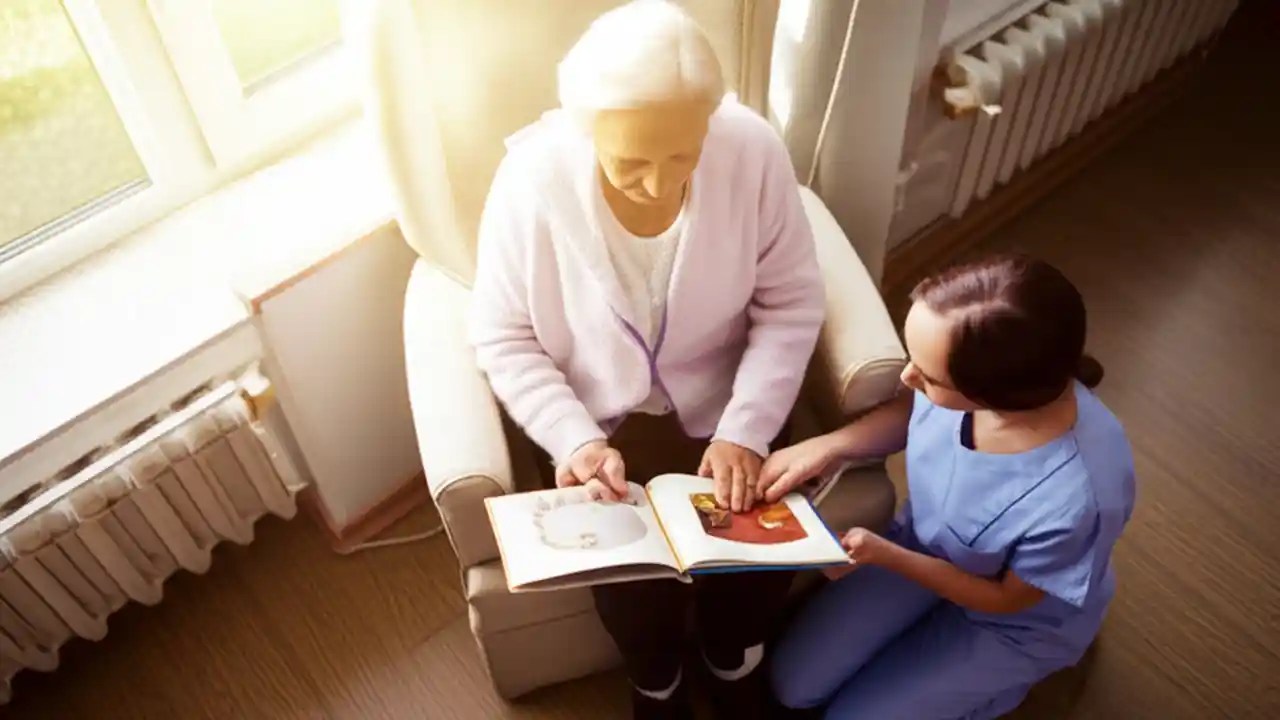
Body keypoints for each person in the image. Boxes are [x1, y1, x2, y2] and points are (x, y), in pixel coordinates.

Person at [467, 2, 824, 717]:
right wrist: (574, 438)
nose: (660, 185)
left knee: (751, 567)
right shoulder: (529, 184)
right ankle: (655, 682)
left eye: (682, 158)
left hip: (728, 404)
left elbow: (790, 304)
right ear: (584, 128)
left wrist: (746, 429)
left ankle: (733, 661)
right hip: (598, 420)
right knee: (630, 588)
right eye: (630, 162)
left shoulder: (752, 151)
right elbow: (503, 337)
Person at [762, 254, 1136, 719]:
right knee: (793, 686)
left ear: (990, 396)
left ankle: (1007, 685)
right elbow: (914, 408)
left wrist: (885, 556)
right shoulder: (970, 381)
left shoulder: (1080, 497)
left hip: (1010, 621)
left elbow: (1005, 599)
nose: (906, 378)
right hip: (926, 548)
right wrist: (831, 446)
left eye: (927, 375)